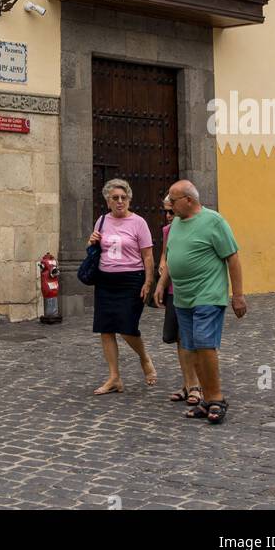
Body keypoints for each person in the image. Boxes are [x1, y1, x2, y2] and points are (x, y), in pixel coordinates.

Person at [155, 180, 246, 425]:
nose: (169, 206)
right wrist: (162, 284)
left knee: (205, 344)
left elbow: (233, 258)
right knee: (192, 347)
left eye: (173, 201)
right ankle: (206, 400)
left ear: (189, 200)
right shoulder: (176, 225)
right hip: (183, 298)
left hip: (208, 295)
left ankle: (216, 399)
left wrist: (237, 295)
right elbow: (172, 257)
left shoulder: (213, 221)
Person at [88, 178, 156, 394]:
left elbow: (147, 256)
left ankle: (144, 358)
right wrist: (91, 242)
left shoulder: (138, 223)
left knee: (127, 327)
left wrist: (148, 281)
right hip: (106, 280)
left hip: (131, 280)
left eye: (123, 198)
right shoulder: (101, 221)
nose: (119, 202)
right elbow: (95, 250)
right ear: (108, 201)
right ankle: (114, 378)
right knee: (106, 329)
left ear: (129, 200)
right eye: (115, 198)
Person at [155, 196, 201, 409]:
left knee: (192, 338)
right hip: (175, 291)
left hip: (195, 292)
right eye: (166, 212)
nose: (168, 216)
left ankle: (196, 386)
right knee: (179, 340)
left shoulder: (199, 226)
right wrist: (161, 273)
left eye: (171, 212)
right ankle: (187, 384)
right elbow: (167, 254)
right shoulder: (168, 231)